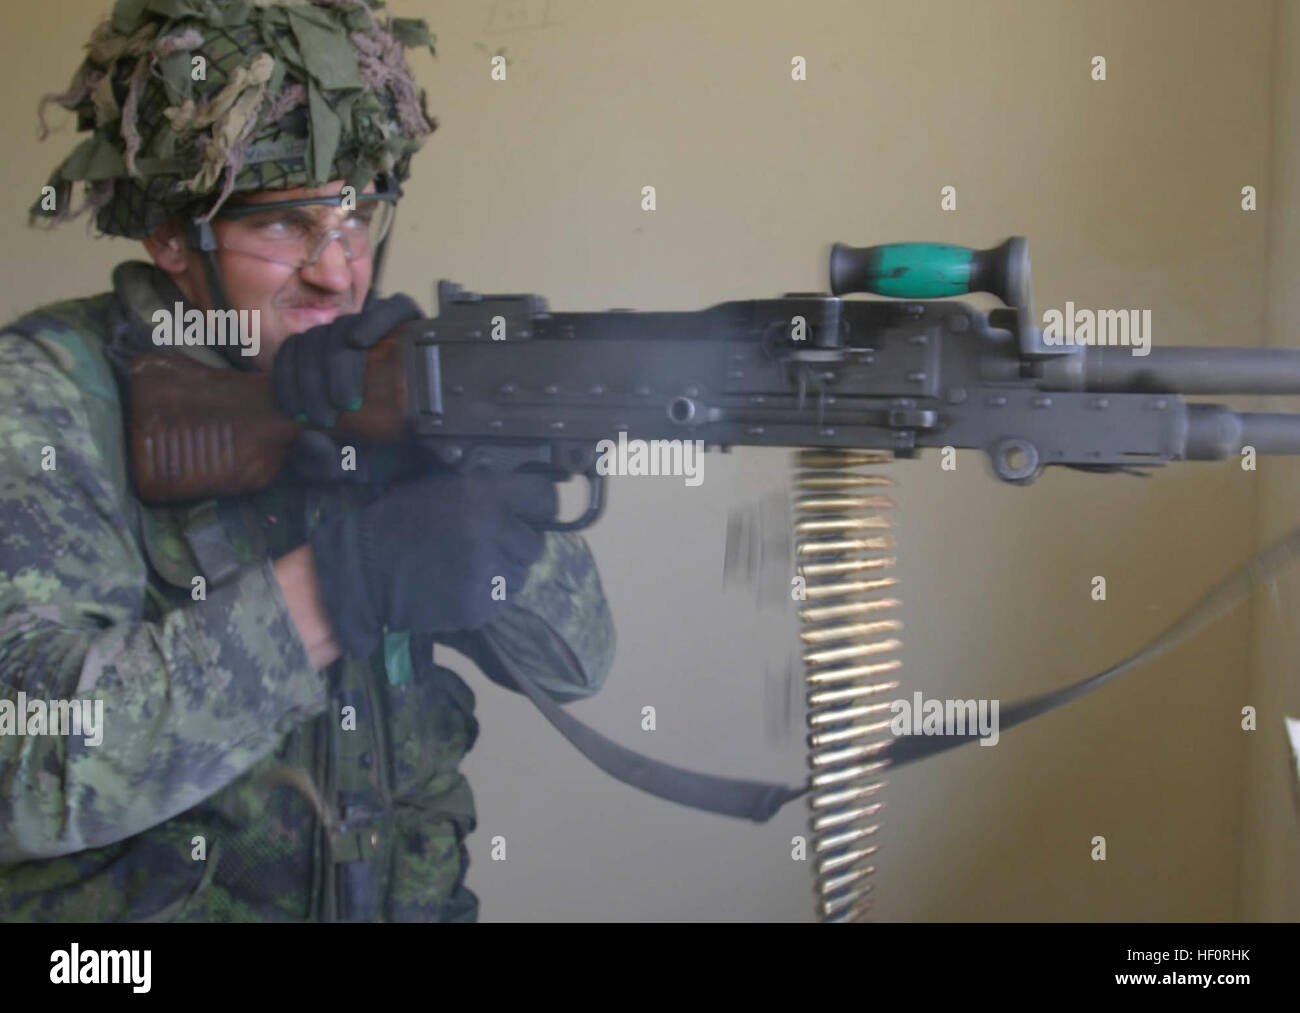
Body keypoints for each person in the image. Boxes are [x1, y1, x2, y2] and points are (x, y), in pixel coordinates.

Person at [0, 0, 615, 922]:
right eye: (287, 226)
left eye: (359, 214)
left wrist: (450, 447)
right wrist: (341, 588)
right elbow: (30, 769)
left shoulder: (398, 379)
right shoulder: (52, 391)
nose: (341, 270)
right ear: (171, 234)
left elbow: (578, 663)